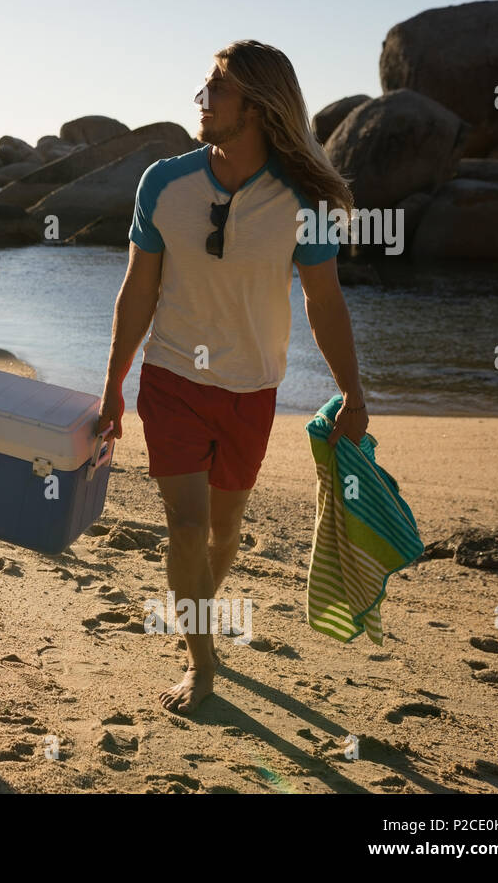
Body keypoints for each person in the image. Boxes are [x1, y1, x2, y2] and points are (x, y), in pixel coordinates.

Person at [96, 40, 368, 714]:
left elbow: (324, 301)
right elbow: (137, 292)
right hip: (172, 381)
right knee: (185, 530)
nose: (201, 100)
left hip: (253, 389)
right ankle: (202, 661)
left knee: (224, 534)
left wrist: (354, 393)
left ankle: (192, 613)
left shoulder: (302, 199)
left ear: (256, 106)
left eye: (216, 89)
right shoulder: (164, 182)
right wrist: (112, 385)